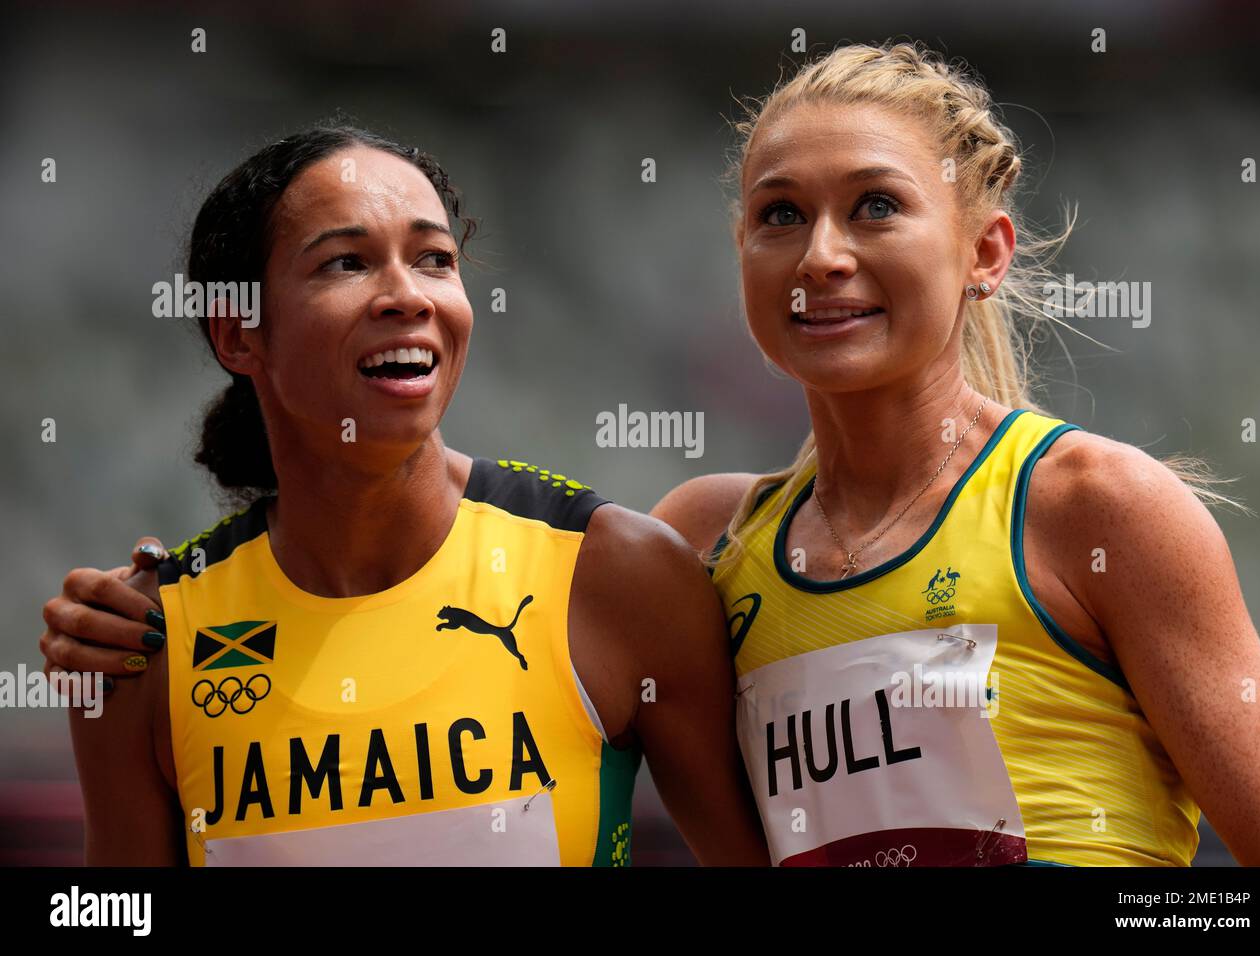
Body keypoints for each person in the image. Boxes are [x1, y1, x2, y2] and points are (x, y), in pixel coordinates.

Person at [40, 124, 769, 866]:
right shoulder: (139, 646)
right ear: (239, 335)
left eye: (434, 260)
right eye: (346, 263)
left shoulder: (614, 573)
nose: (406, 296)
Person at [650, 42, 1260, 866]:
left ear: (985, 253)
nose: (821, 256)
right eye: (780, 215)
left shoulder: (1096, 507)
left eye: (876, 206)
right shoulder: (702, 543)